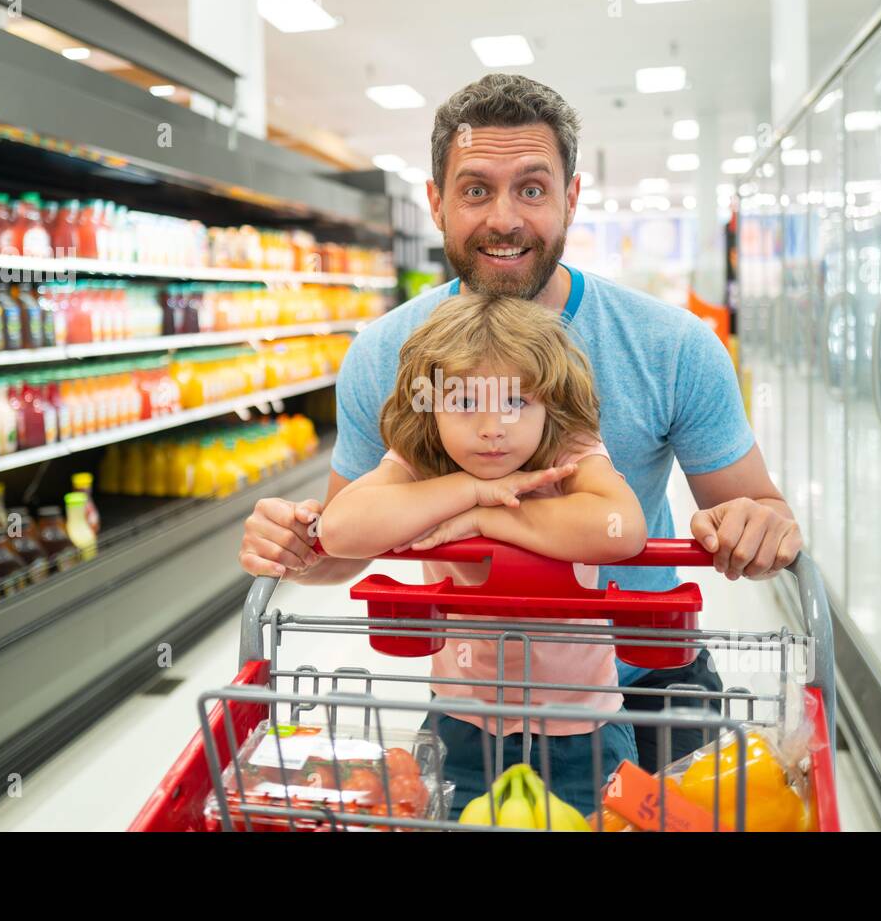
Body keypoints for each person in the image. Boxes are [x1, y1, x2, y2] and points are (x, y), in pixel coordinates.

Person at [239, 73, 802, 769]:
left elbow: (752, 507)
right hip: (478, 694)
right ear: (437, 202)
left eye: (532, 189)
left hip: (651, 674)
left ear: (570, 199)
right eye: (476, 189)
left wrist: (761, 524)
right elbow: (346, 542)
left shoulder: (673, 345)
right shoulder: (388, 355)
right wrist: (298, 543)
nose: (504, 218)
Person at [319, 291, 646, 814]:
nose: (492, 427)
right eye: (465, 402)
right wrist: (467, 490)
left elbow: (622, 529)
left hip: (581, 732)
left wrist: (484, 517)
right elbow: (338, 529)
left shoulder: (568, 451)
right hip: (459, 726)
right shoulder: (424, 459)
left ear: (549, 404)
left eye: (517, 401)